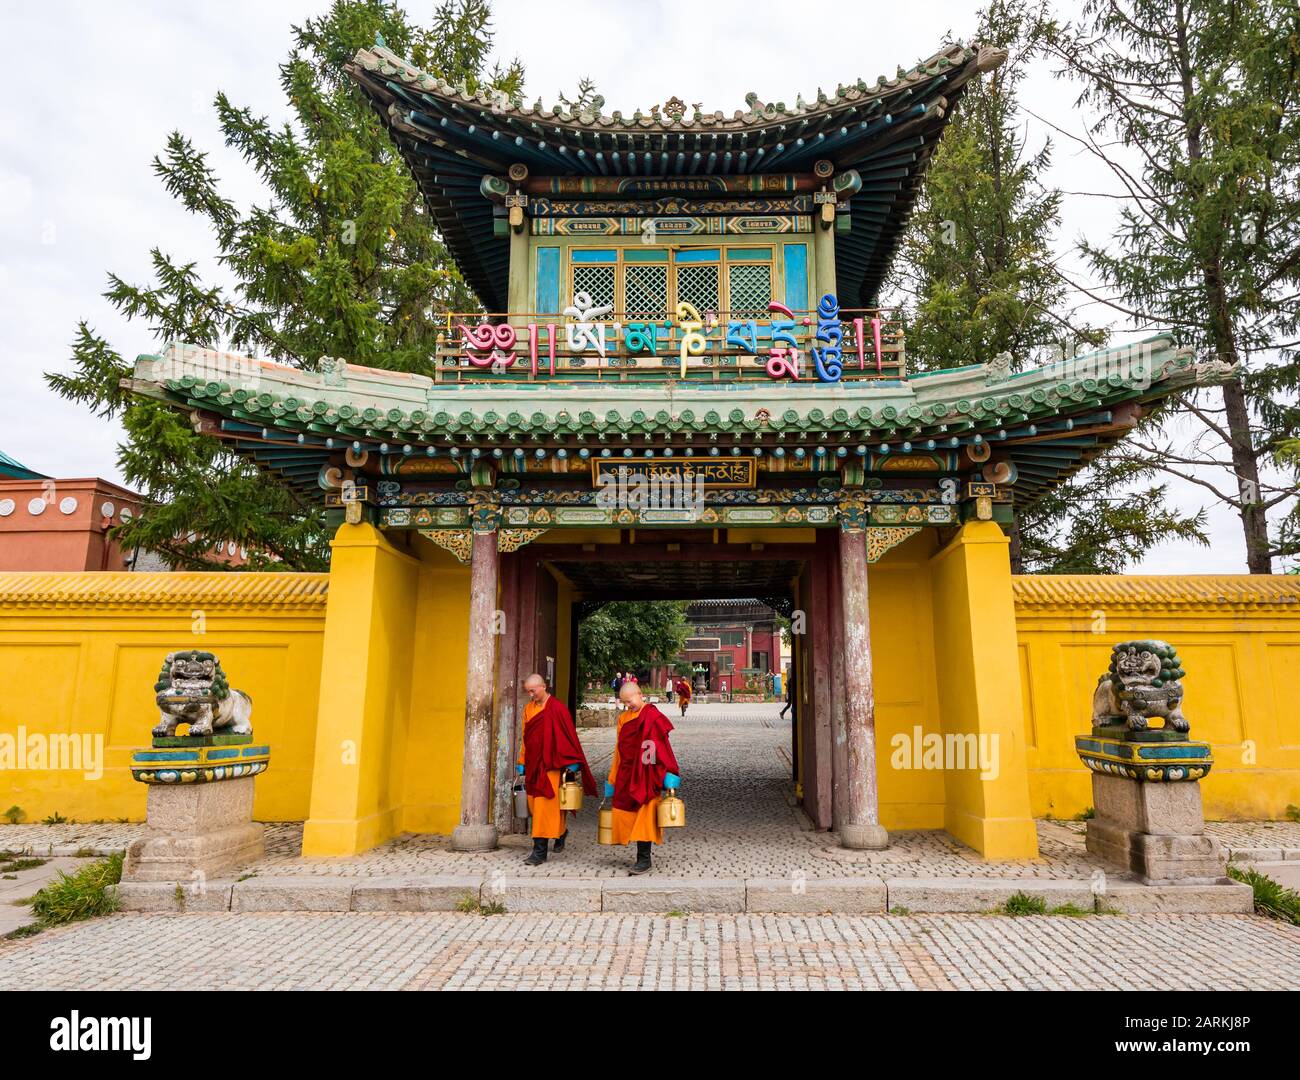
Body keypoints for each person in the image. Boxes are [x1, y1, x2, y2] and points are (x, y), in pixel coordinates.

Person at [516, 673, 598, 866]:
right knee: (536, 806)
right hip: (533, 764)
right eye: (528, 691)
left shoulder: (558, 709)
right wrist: (522, 761)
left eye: (533, 690)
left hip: (552, 766)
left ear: (543, 686)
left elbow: (568, 737)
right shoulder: (528, 709)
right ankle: (561, 832)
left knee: (546, 806)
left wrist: (572, 762)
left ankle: (539, 852)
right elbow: (525, 737)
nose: (531, 695)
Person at [604, 680, 680, 875]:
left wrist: (665, 772)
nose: (628, 705)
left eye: (630, 701)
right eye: (624, 703)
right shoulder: (624, 719)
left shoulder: (652, 716)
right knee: (624, 809)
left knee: (645, 813)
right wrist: (613, 777)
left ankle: (644, 858)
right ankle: (637, 852)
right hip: (627, 770)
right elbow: (619, 748)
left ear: (640, 694)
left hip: (647, 770)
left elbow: (660, 746)